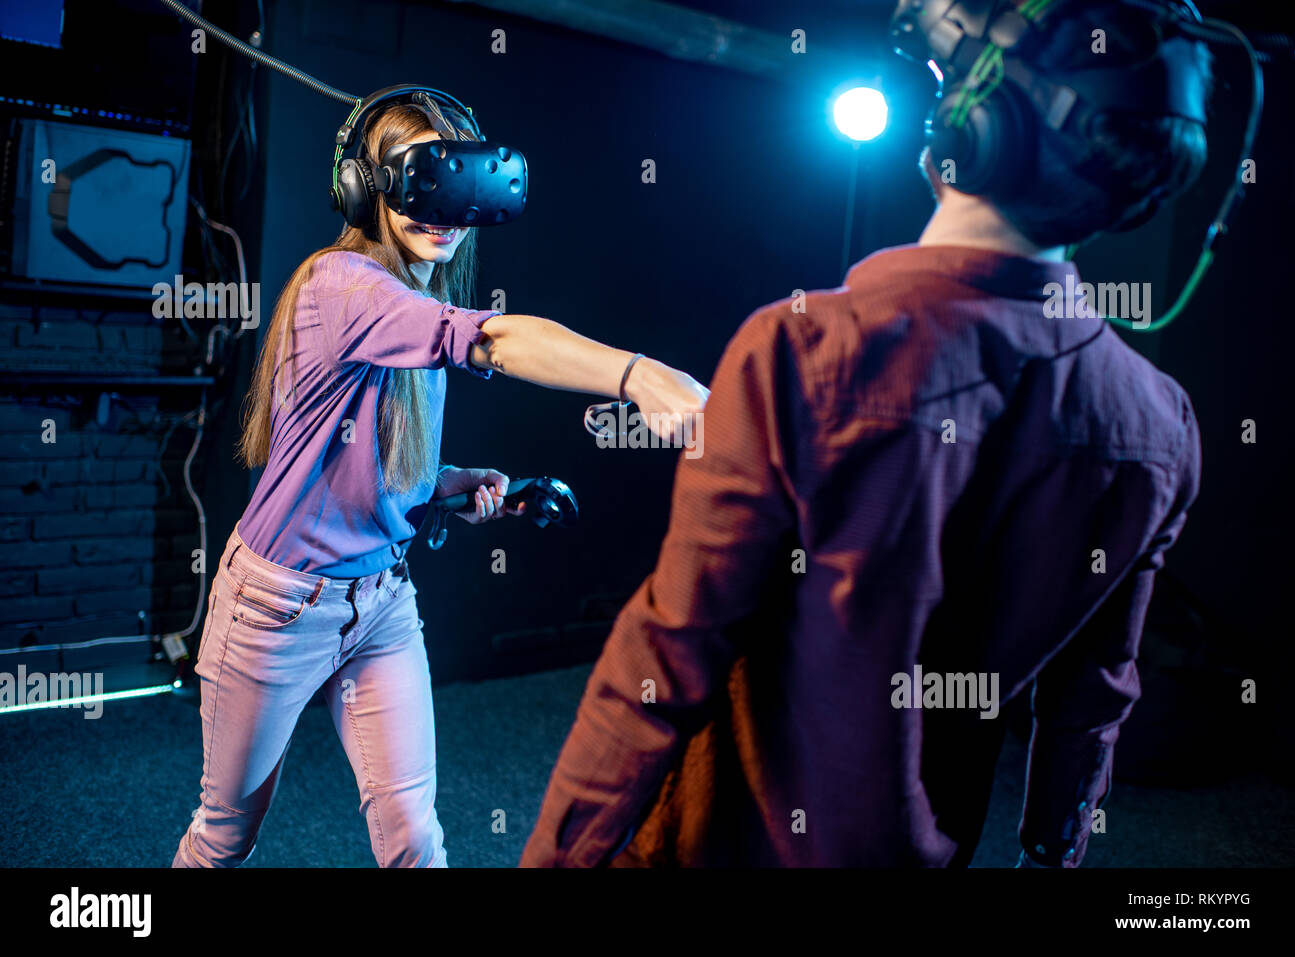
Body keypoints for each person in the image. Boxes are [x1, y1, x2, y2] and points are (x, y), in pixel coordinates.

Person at [520, 0, 1209, 867]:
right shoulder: (1161, 423)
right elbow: (1095, 690)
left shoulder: (802, 348)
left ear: (978, 128)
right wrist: (1053, 844)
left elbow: (665, 655)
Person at [171, 98, 708, 868]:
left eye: (456, 185)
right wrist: (637, 375)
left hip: (382, 602)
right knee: (226, 834)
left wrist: (448, 485)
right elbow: (492, 339)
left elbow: (365, 470)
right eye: (419, 182)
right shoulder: (342, 285)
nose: (442, 212)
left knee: (416, 838)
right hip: (278, 605)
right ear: (364, 189)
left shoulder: (419, 301)